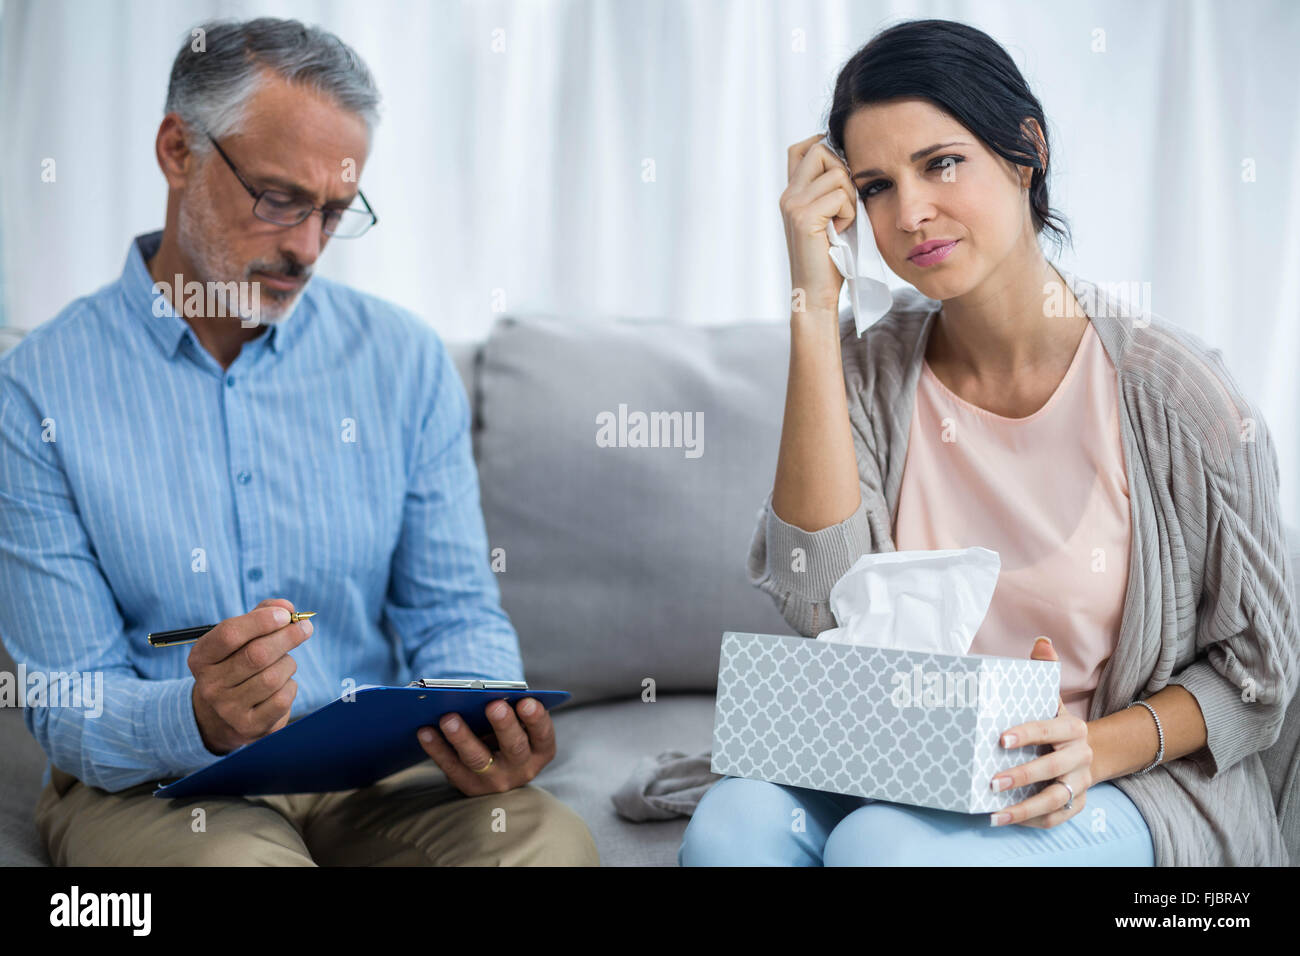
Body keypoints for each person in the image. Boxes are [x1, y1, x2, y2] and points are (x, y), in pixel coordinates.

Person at [680, 18, 1298, 866]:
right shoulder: (869, 373)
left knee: (882, 850)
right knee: (731, 827)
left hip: (1101, 783)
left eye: (940, 163)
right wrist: (814, 307)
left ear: (1025, 150)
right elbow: (816, 601)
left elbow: (1260, 674)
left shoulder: (1176, 396)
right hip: (896, 762)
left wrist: (1097, 748)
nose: (911, 213)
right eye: (874, 187)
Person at [0, 17, 598, 866]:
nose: (307, 248)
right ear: (179, 151)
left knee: (544, 846)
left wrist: (485, 720)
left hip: (379, 774)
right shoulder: (36, 389)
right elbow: (66, 701)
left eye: (335, 211)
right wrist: (198, 718)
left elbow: (453, 613)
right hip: (161, 788)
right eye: (279, 199)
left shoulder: (401, 362)